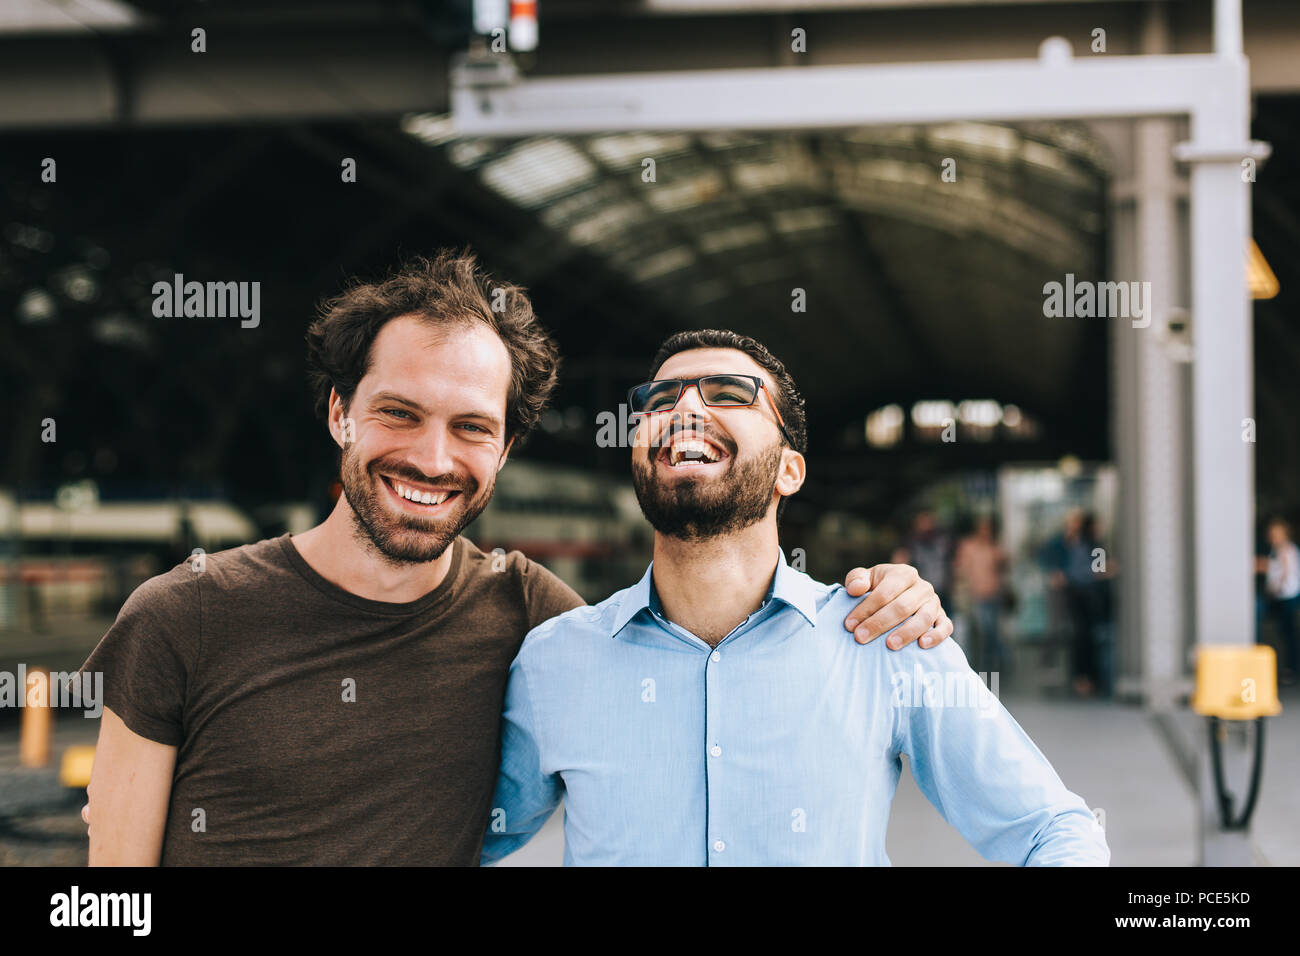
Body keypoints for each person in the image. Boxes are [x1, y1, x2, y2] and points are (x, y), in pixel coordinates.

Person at [77, 250, 954, 865]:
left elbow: (689, 686)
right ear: (340, 411)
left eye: (471, 429)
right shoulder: (181, 614)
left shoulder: (537, 621)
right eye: (398, 413)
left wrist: (893, 601)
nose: (432, 457)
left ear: (502, 451)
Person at [483, 330, 1109, 866]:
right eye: (660, 398)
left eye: (729, 392)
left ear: (790, 470)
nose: (685, 409)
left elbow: (1052, 830)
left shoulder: (886, 640)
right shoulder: (555, 660)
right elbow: (457, 841)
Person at [953, 515, 1009, 676]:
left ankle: (995, 661)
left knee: (993, 630)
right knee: (984, 630)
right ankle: (987, 663)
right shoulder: (969, 546)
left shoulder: (995, 547)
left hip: (994, 594)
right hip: (976, 595)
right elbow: (961, 569)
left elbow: (1005, 566)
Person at [1258, 517, 1300, 684]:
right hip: (1282, 596)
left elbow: (1286, 572)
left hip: (1287, 596)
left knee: (1289, 633)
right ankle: (1289, 667)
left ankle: (1291, 668)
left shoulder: (1286, 550)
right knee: (1285, 632)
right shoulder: (1276, 551)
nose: (1273, 538)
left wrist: (1276, 587)